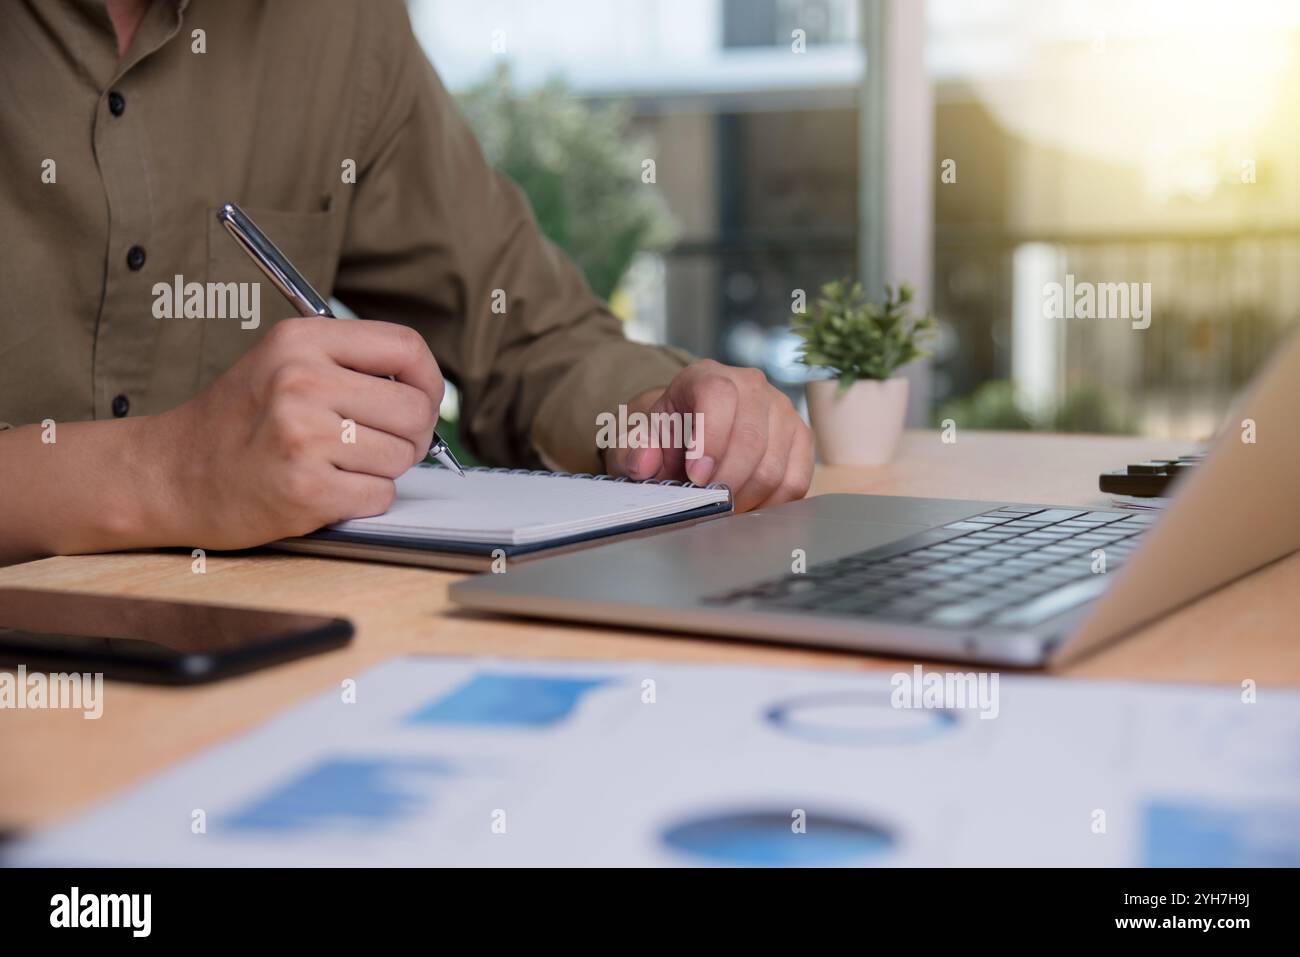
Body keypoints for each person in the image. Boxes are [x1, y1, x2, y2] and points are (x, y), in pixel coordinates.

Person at [0, 0, 813, 565]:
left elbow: (527, 326)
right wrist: (168, 474)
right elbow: (176, 474)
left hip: (252, 682)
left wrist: (648, 415)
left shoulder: (334, 27)